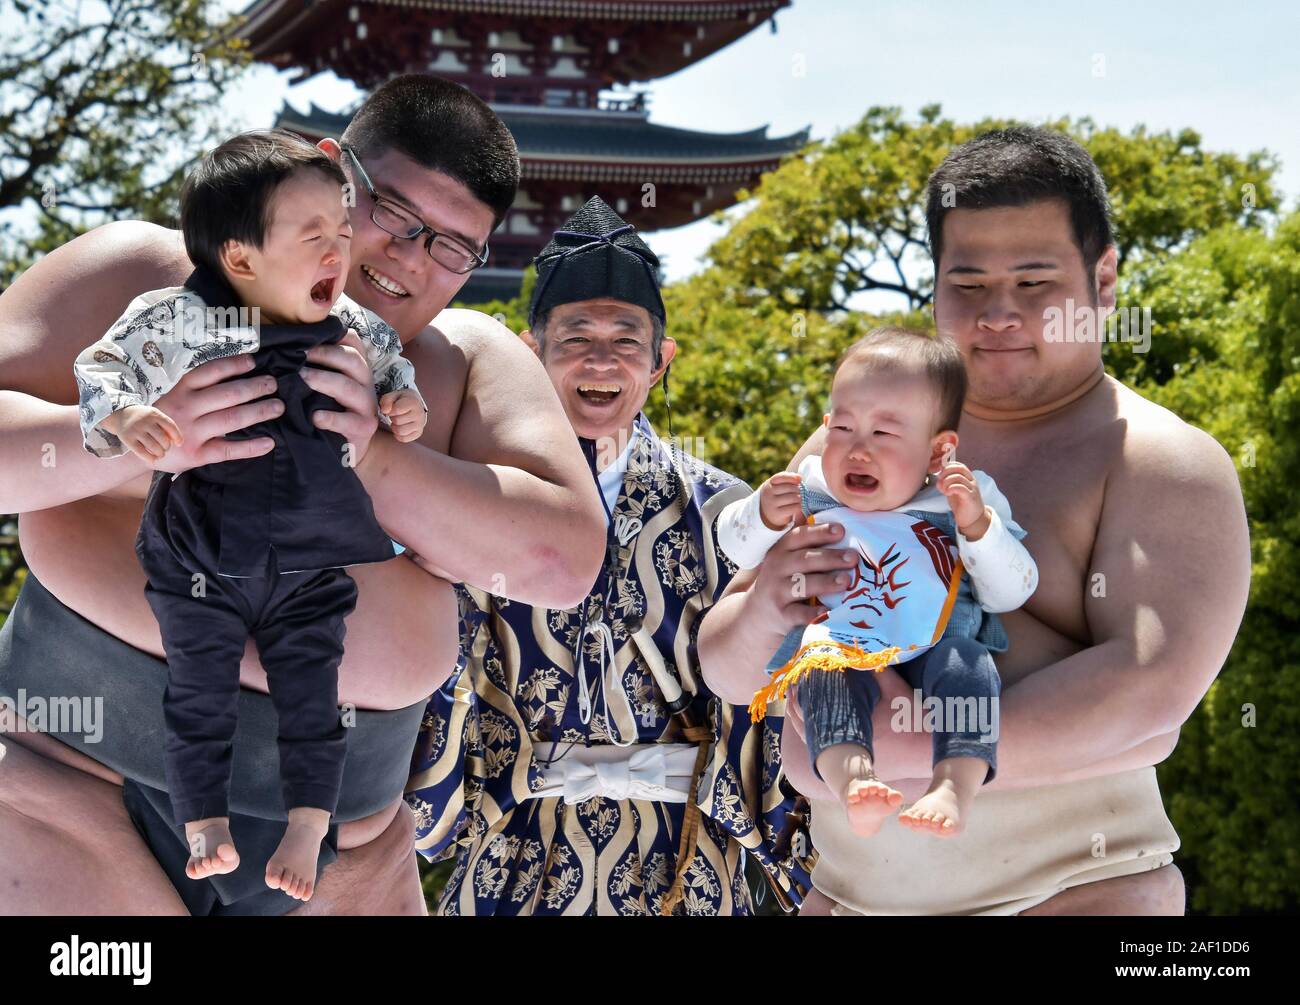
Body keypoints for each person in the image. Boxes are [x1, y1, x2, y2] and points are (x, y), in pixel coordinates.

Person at [0, 73, 607, 916]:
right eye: (391, 213)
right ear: (331, 172)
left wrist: (374, 456)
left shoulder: (463, 365)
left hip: (345, 853)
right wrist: (128, 436)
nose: (407, 257)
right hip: (69, 786)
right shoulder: (147, 279)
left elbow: (561, 559)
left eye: (452, 246)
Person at [698, 126, 1251, 915]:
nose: (998, 313)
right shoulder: (849, 448)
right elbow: (728, 665)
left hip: (1077, 891)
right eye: (968, 282)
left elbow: (1148, 695)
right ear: (932, 287)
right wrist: (763, 609)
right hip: (848, 895)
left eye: (1034, 282)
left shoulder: (1159, 461)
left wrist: (881, 747)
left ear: (1104, 279)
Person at [406, 197, 814, 915]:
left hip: (684, 855)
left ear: (661, 360)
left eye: (627, 340)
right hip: (516, 843)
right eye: (575, 338)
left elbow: (766, 694)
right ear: (529, 354)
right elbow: (443, 653)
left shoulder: (729, 514)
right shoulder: (479, 502)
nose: (601, 359)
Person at [74, 129, 429, 900]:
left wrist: (404, 402)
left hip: (310, 555)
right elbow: (101, 368)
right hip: (199, 552)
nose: (340, 250)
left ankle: (309, 819)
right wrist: (130, 419)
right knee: (198, 689)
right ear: (240, 258)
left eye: (343, 230)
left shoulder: (353, 328)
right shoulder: (185, 318)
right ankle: (204, 818)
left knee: (315, 687)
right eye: (314, 237)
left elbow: (397, 368)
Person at [718, 327, 1036, 839]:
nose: (858, 450)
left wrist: (979, 528)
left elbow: (1014, 591)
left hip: (936, 645)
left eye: (884, 434)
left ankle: (955, 784)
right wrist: (759, 516)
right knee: (821, 674)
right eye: (843, 428)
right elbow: (733, 547)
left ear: (938, 453)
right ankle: (854, 782)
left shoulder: (959, 501)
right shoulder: (813, 489)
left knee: (971, 668)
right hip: (842, 641)